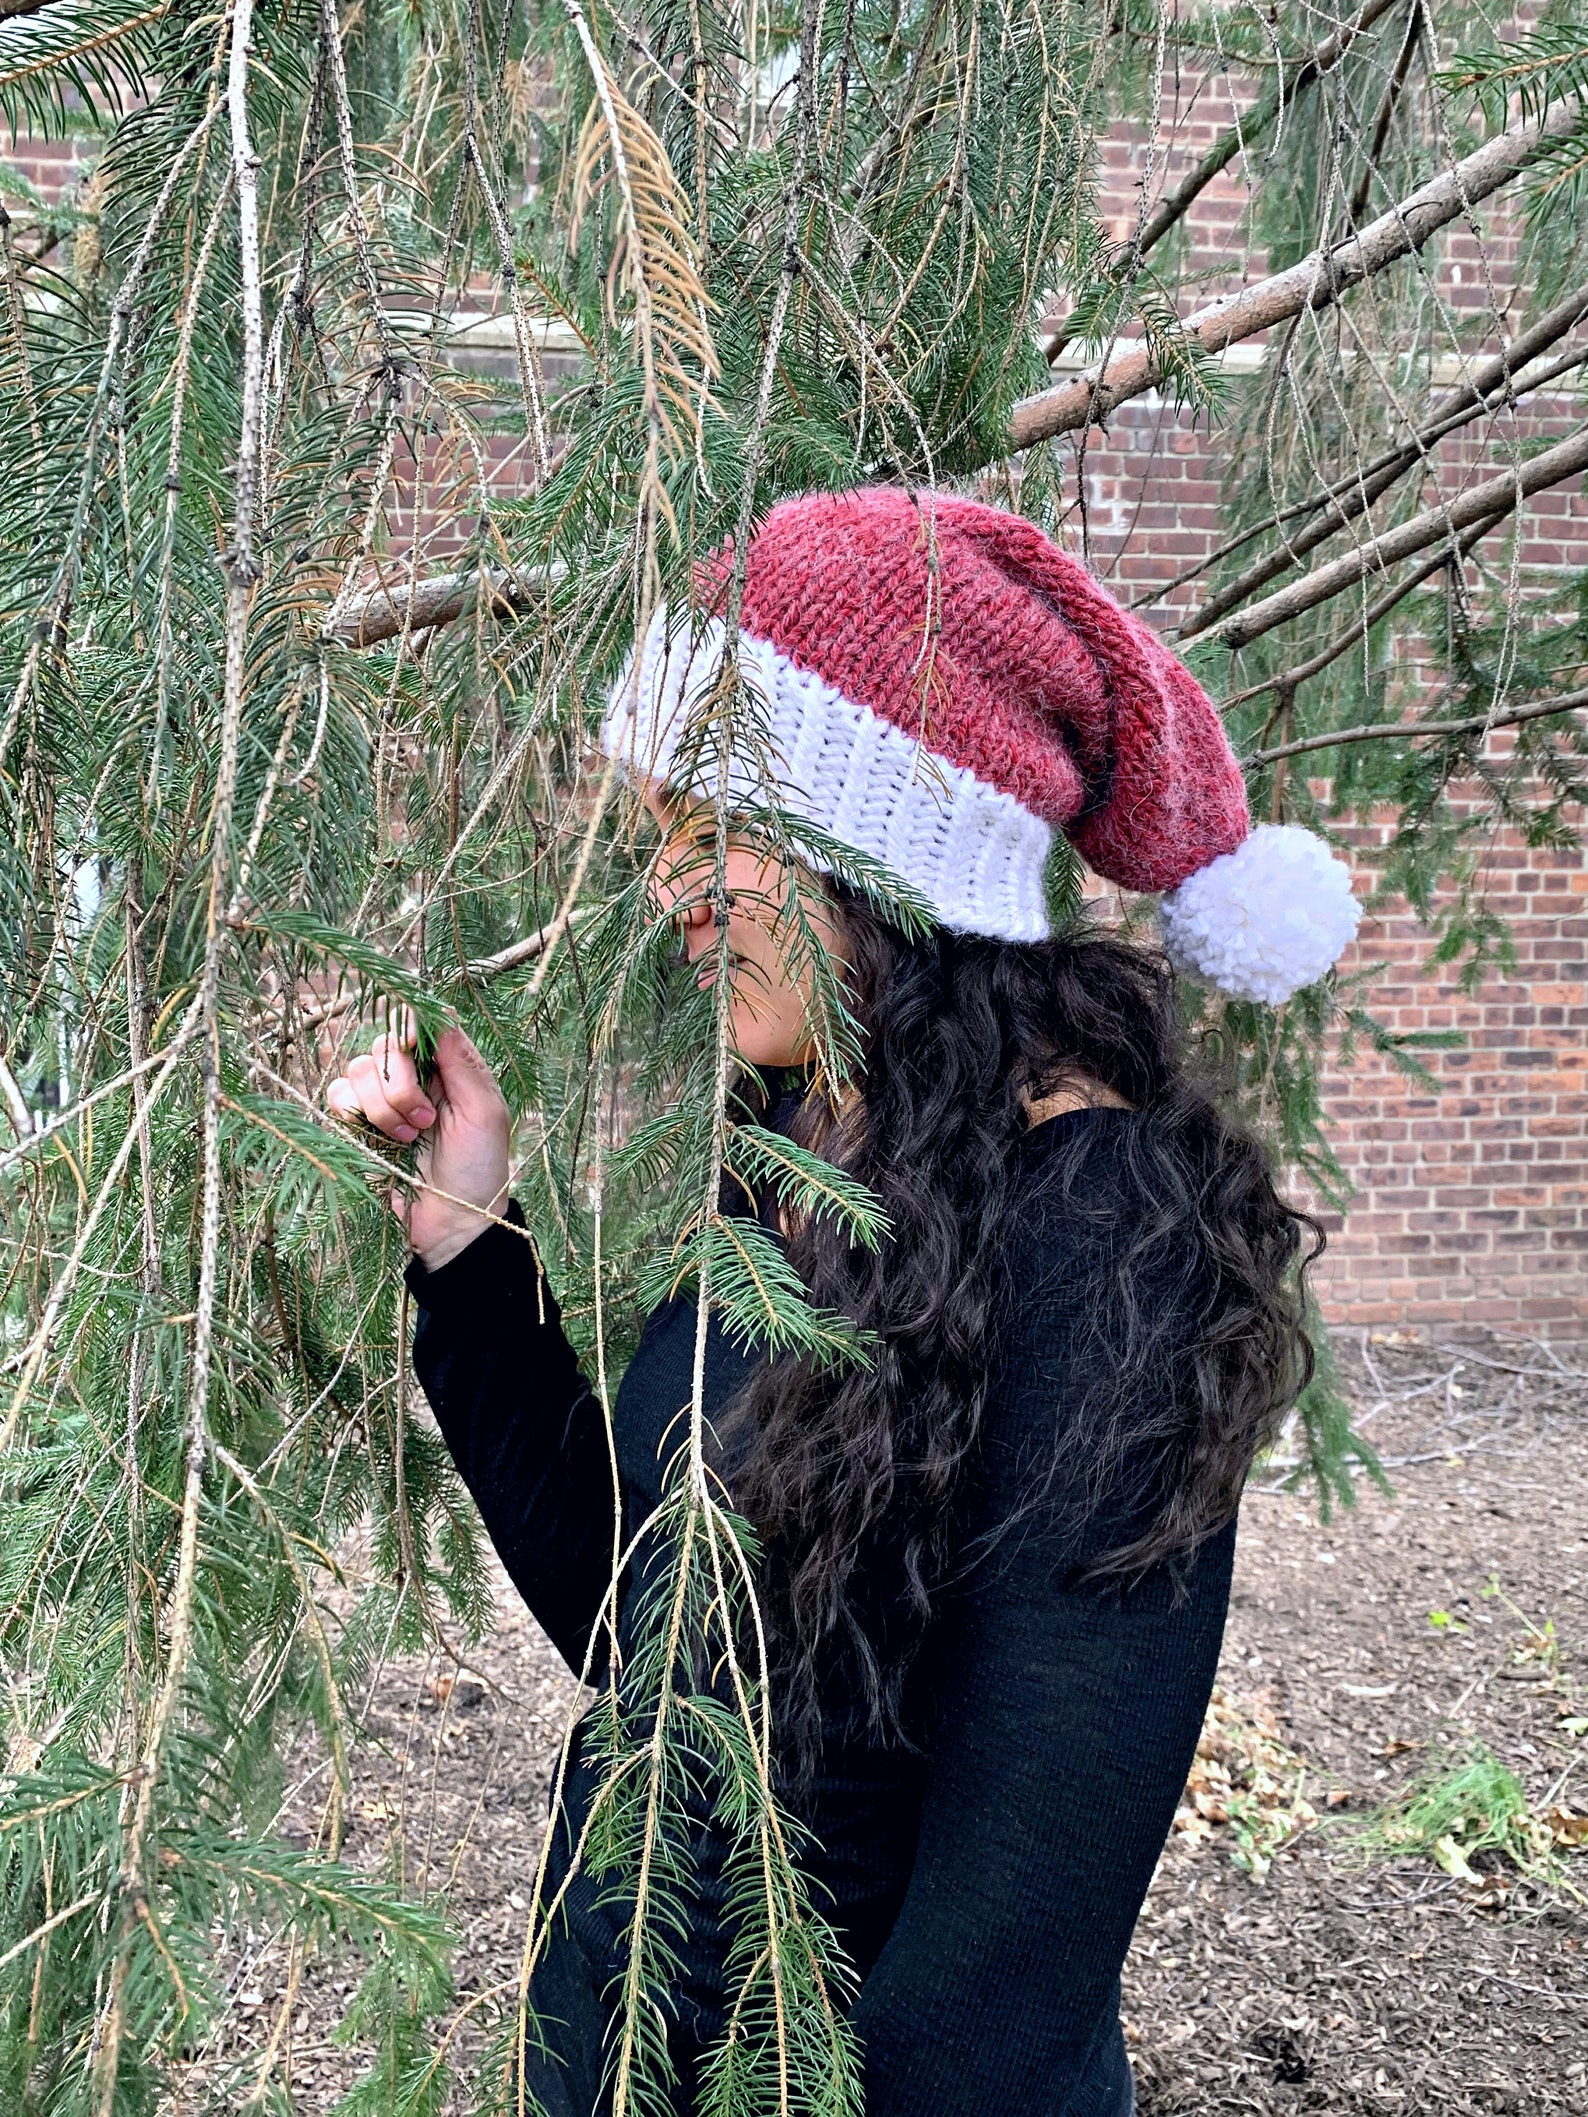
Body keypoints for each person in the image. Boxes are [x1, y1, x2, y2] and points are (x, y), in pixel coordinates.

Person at [328, 489, 1362, 2115]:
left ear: (890, 836)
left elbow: (1021, 1930)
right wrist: (471, 1241)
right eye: (655, 831)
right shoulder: (802, 1149)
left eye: (714, 822)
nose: (671, 886)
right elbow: (644, 1620)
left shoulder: (1104, 1232)